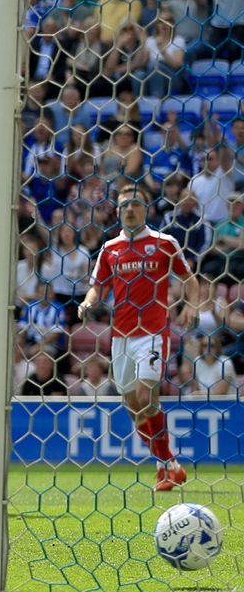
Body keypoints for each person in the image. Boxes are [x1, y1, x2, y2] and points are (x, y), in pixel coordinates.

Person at [81, 185, 201, 491]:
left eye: (136, 203)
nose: (130, 209)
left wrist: (191, 305)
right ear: (117, 211)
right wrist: (88, 302)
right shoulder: (110, 249)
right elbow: (97, 285)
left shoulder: (164, 243)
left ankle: (167, 467)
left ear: (146, 209)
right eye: (124, 205)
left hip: (152, 333)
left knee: (147, 397)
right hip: (120, 337)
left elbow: (189, 279)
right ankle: (168, 465)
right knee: (134, 408)